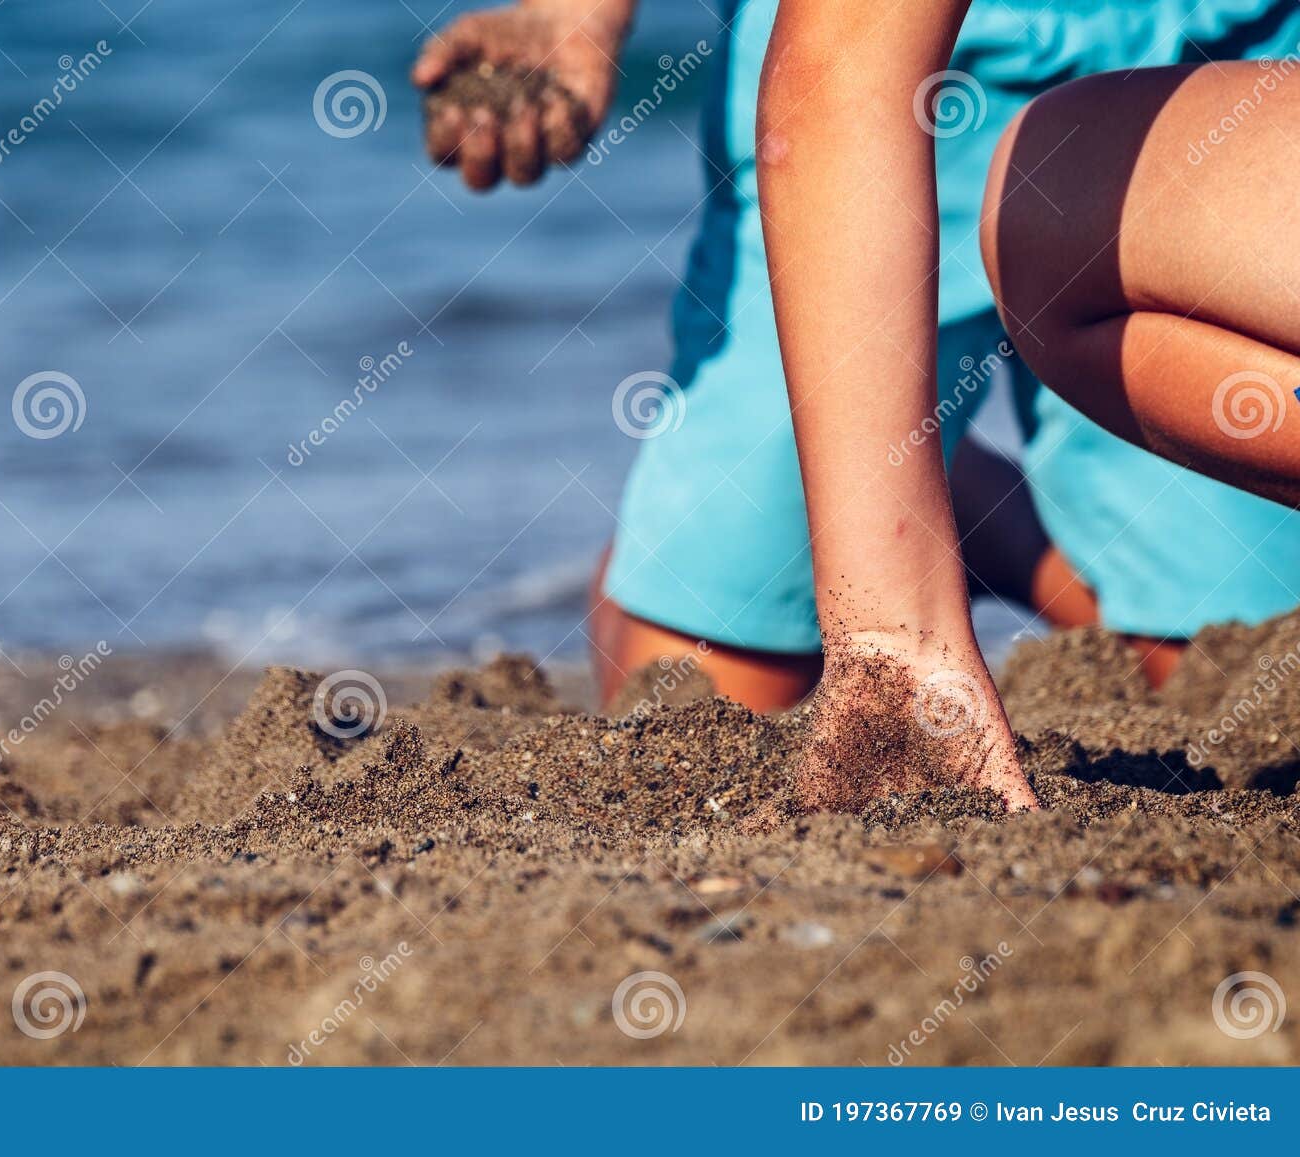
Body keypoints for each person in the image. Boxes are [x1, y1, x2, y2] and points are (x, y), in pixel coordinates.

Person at [415, 1, 1300, 808]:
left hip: (1207, 53)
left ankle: (971, 518)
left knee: (1225, 668)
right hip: (855, 76)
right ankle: (916, 500)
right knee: (695, 694)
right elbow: (842, 59)